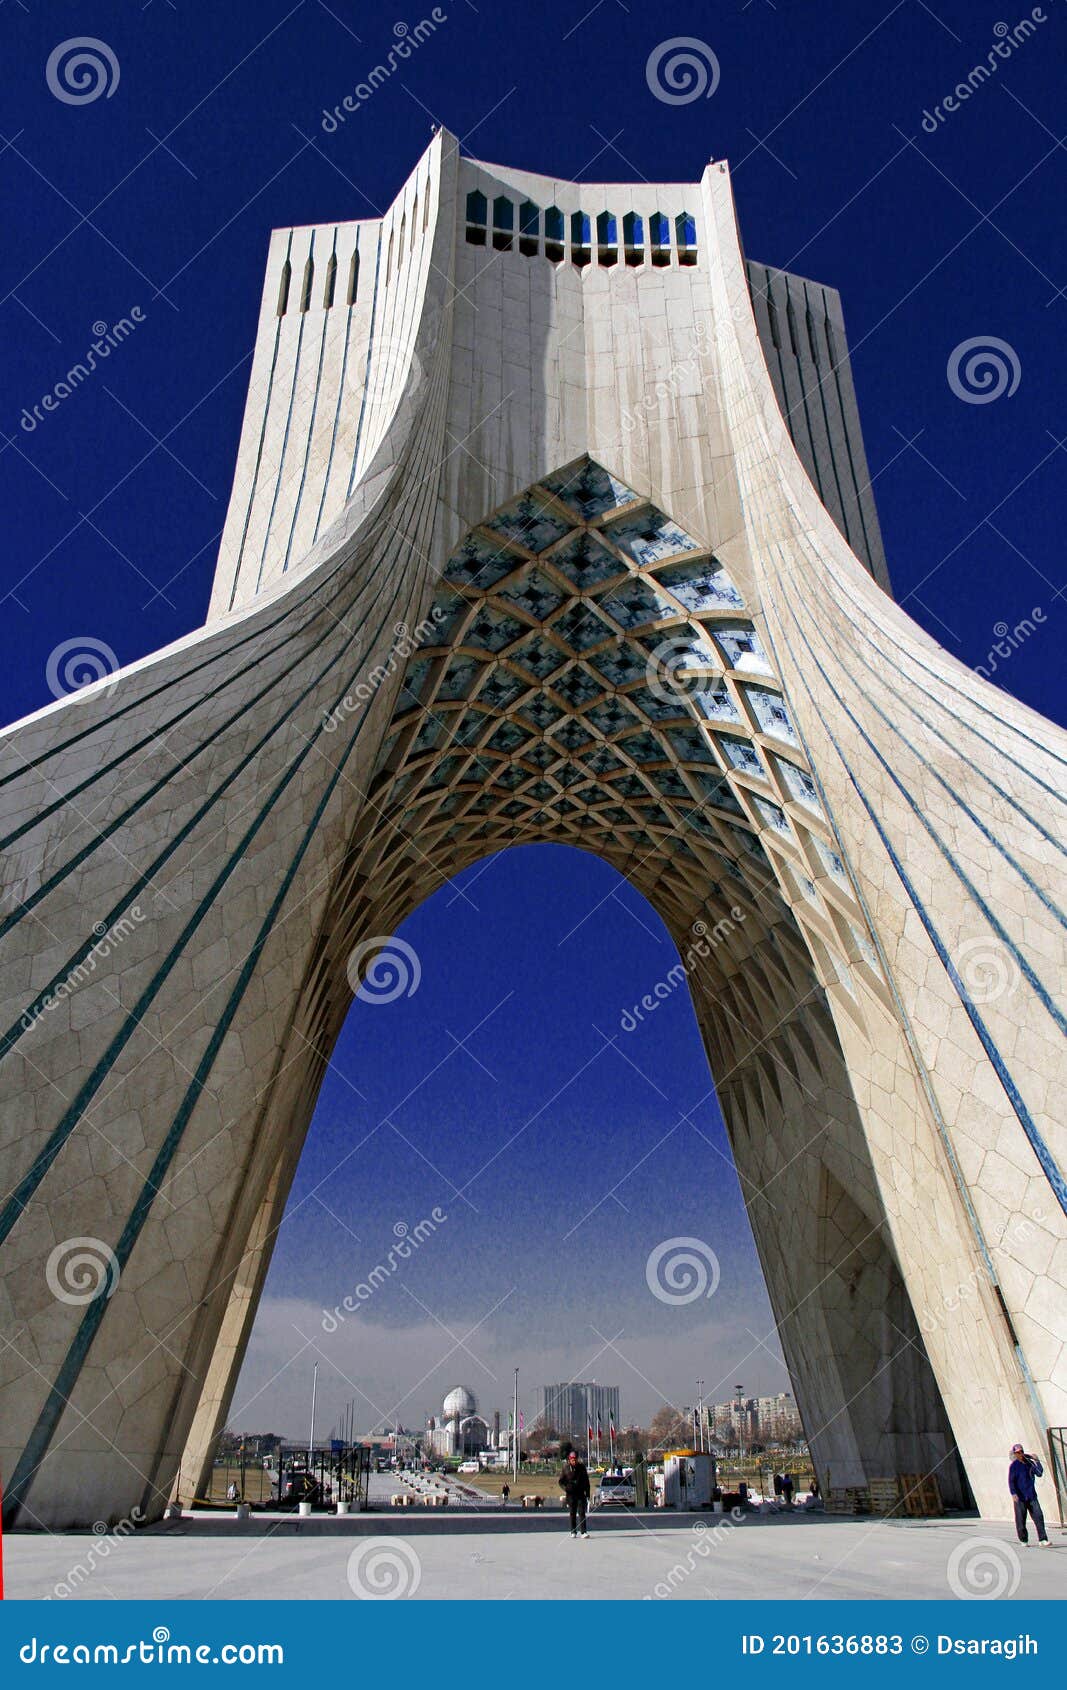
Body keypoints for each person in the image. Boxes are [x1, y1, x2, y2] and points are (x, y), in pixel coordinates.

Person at [1008, 1444, 1050, 1546]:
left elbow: (1039, 1473)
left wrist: (1037, 1461)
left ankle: (1042, 1539)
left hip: (1031, 1496)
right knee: (1021, 1520)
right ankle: (1023, 1540)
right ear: (1015, 1454)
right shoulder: (1014, 1466)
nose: (1020, 1454)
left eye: (1021, 1451)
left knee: (1039, 1516)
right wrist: (1013, 1493)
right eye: (1017, 1453)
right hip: (1020, 1497)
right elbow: (1011, 1481)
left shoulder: (1029, 1463)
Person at [558, 1449, 591, 1538]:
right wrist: (566, 1488)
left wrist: (587, 1493)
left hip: (580, 1493)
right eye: (572, 1459)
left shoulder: (582, 1467)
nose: (574, 1461)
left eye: (575, 1459)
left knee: (581, 1512)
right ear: (569, 1459)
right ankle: (573, 1531)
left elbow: (586, 1481)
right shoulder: (565, 1468)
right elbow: (561, 1481)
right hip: (570, 1494)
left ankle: (583, 1532)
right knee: (572, 1513)